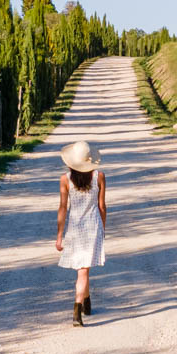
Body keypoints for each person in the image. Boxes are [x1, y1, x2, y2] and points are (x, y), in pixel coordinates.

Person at [55, 140, 106, 327]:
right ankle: (78, 306)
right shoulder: (99, 177)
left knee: (83, 268)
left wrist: (59, 234)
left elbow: (62, 208)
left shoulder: (65, 179)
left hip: (74, 228)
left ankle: (87, 302)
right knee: (84, 269)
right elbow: (102, 206)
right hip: (93, 226)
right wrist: (103, 229)